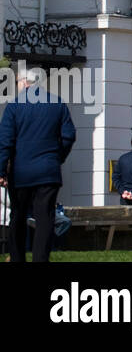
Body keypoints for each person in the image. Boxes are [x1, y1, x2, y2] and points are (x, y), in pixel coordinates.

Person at [0, 67, 77, 262]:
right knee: (45, 217)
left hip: (20, 171)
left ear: (24, 82)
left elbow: (5, 142)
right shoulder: (57, 104)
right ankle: (40, 259)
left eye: (18, 82)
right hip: (48, 170)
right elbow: (68, 136)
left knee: (17, 216)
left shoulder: (14, 106)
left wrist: (1, 170)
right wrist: (56, 157)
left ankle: (17, 258)